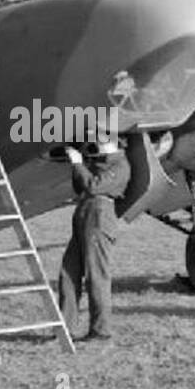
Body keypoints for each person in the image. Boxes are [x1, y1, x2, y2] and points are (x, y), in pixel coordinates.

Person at [57, 138, 130, 341]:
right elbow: (79, 186)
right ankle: (65, 328)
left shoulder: (121, 165)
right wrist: (79, 163)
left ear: (116, 143)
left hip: (100, 213)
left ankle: (101, 330)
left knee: (96, 274)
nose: (97, 141)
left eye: (102, 138)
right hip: (84, 211)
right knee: (68, 272)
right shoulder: (99, 161)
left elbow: (93, 186)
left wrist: (78, 163)